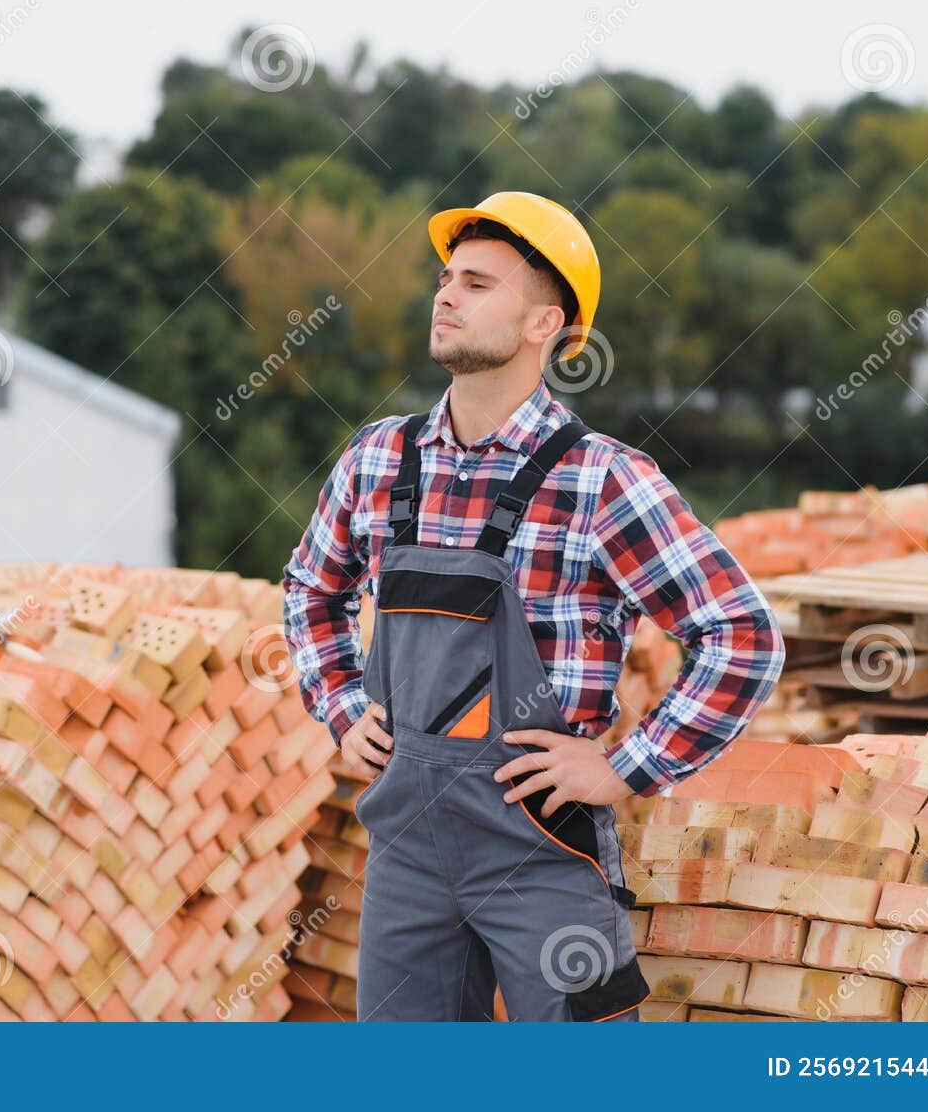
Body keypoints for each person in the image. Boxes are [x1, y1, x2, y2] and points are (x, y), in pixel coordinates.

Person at [281, 191, 786, 1021]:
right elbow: (311, 590)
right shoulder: (378, 458)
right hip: (406, 853)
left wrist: (624, 766)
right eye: (446, 278)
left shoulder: (601, 479)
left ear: (543, 325)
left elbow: (742, 636)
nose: (445, 295)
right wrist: (340, 707)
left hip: (542, 855)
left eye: (478, 284)